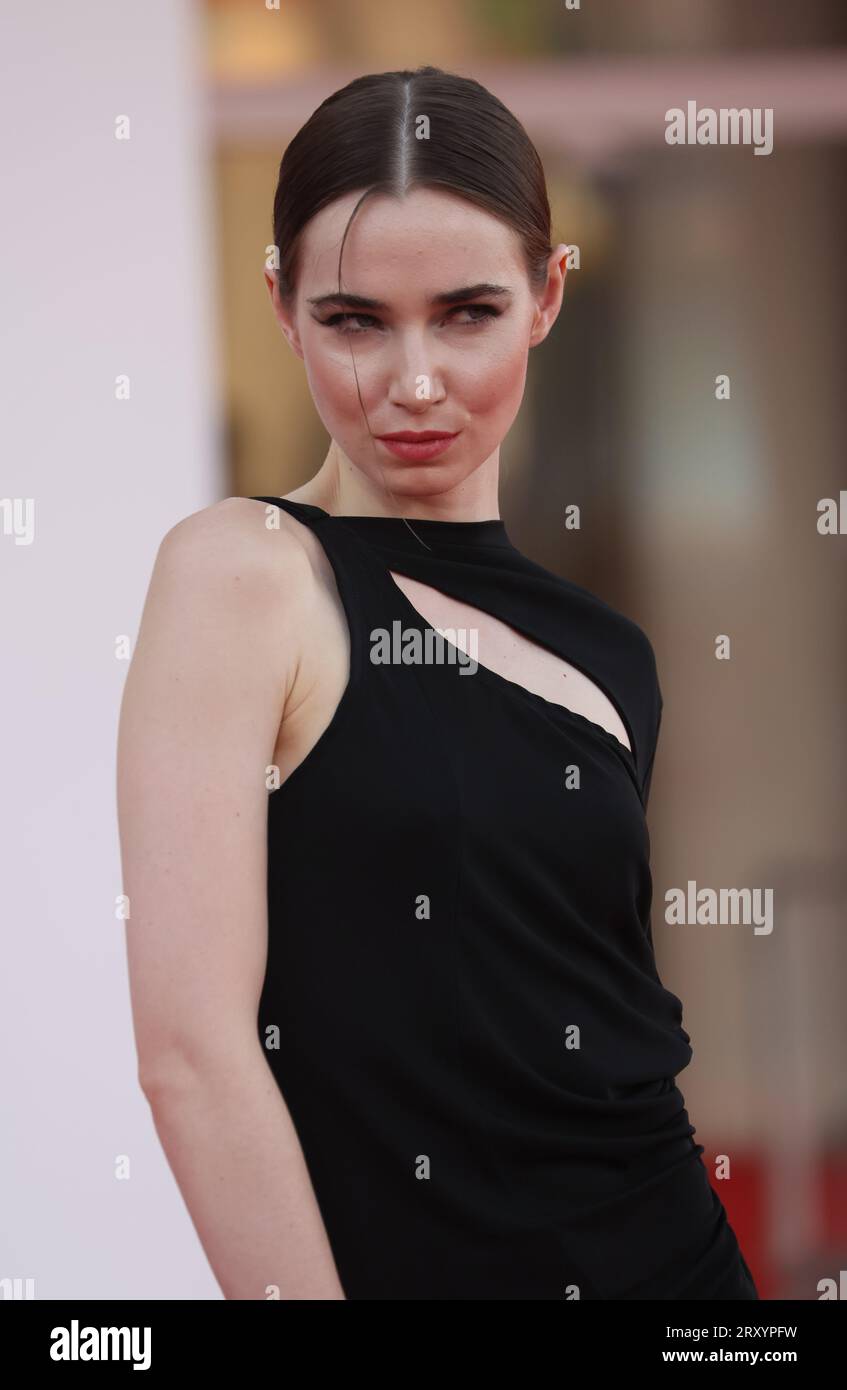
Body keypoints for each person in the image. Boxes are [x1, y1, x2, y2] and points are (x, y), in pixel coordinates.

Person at [117, 65, 759, 1300]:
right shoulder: (245, 574)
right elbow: (191, 1057)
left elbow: (594, 1028)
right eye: (356, 319)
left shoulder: (608, 652)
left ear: (545, 294)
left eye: (465, 311)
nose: (413, 380)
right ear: (282, 304)